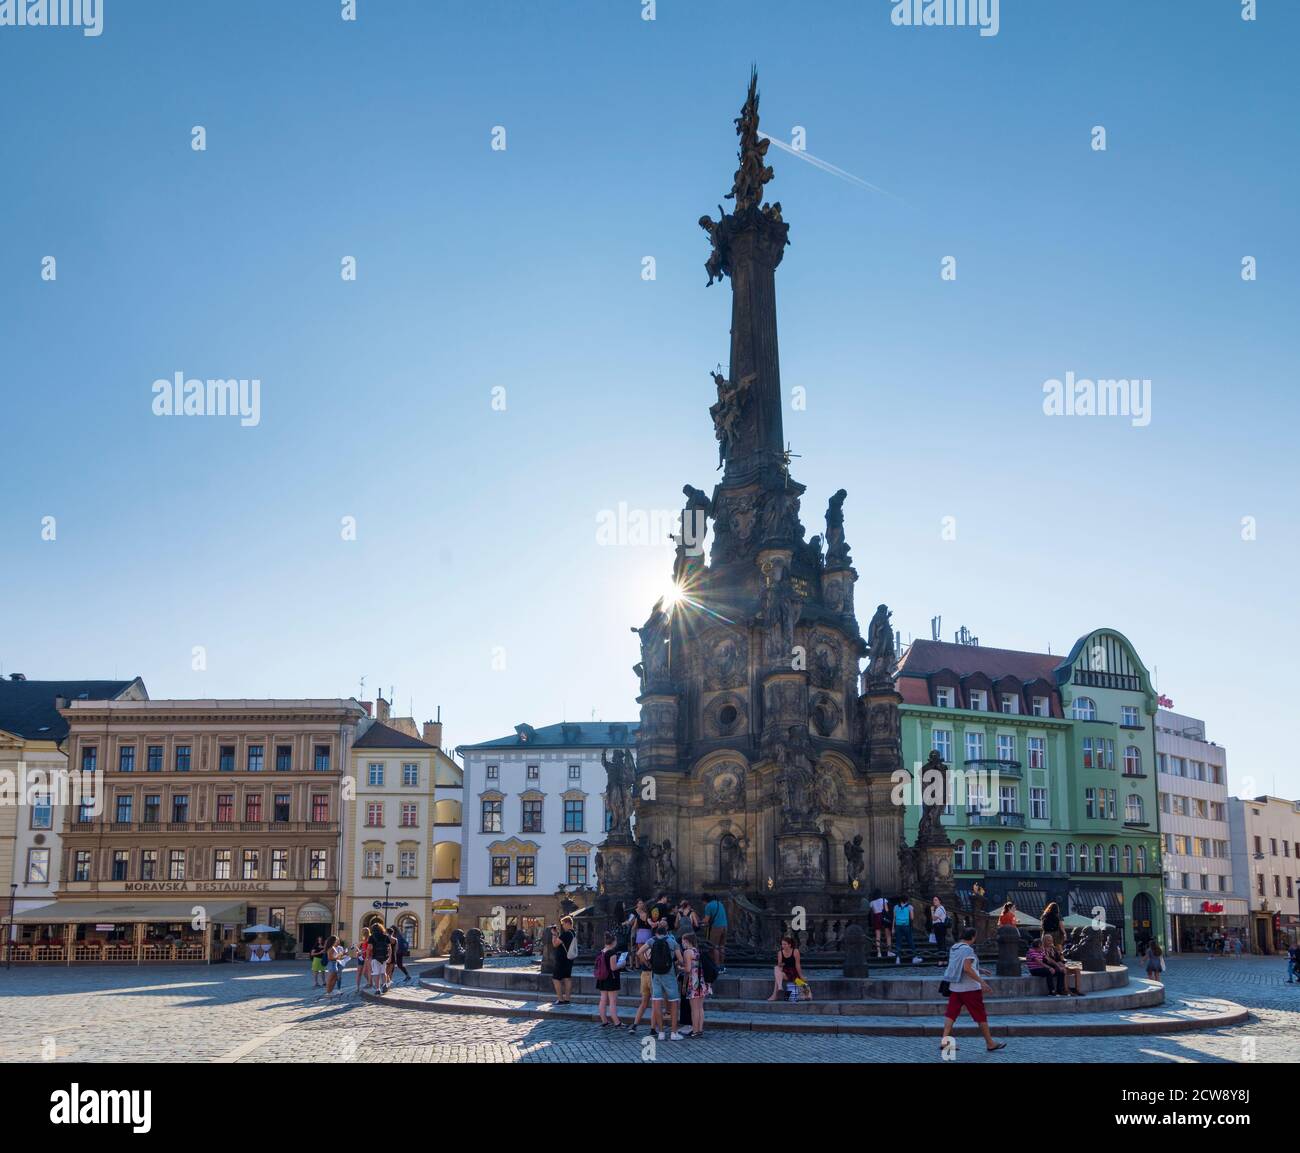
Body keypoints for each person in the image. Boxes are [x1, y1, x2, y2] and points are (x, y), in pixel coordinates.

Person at [939, 926, 1006, 1055]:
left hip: (955, 987)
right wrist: (982, 982)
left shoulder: (955, 947)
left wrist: (980, 969)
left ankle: (944, 1041)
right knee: (980, 1015)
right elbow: (967, 968)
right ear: (973, 937)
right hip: (970, 988)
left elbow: (959, 965)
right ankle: (990, 1043)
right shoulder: (968, 950)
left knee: (951, 1013)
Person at [642, 922, 684, 1040]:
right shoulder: (672, 942)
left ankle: (660, 1033)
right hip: (669, 975)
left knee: (656, 1003)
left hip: (655, 975)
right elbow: (680, 959)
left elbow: (639, 952)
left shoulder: (651, 941)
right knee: (674, 1003)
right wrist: (676, 963)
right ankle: (674, 1033)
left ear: (656, 933)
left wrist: (647, 963)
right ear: (667, 933)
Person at [680, 931, 710, 1037]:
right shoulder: (697, 951)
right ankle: (700, 1029)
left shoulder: (687, 952)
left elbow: (688, 969)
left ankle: (695, 1030)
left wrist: (680, 967)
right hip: (702, 981)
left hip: (693, 982)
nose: (682, 943)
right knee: (700, 1007)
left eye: (683, 941)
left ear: (687, 941)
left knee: (694, 1009)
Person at [767, 935, 812, 1002]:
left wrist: (801, 976)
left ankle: (775, 995)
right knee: (776, 968)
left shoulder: (795, 951)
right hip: (785, 972)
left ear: (790, 945)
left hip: (793, 973)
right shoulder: (780, 953)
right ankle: (779, 987)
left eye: (785, 944)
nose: (783, 946)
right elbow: (779, 965)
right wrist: (781, 964)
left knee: (777, 976)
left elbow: (797, 965)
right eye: (782, 944)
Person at [594, 930, 624, 1027]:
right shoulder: (612, 953)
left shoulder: (601, 951)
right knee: (612, 1001)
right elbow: (613, 967)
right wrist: (622, 964)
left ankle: (604, 1020)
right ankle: (616, 1022)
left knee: (603, 1000)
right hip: (611, 978)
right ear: (614, 942)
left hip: (602, 978)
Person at [551, 916, 576, 1004]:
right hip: (569, 959)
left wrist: (554, 934)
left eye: (563, 924)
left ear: (568, 923)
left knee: (556, 979)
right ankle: (567, 999)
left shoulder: (566, 934)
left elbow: (555, 944)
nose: (562, 926)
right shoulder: (573, 933)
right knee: (567, 978)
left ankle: (561, 999)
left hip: (562, 960)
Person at [701, 892, 728, 974]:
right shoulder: (720, 903)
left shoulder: (708, 906)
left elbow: (706, 920)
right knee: (722, 946)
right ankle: (722, 966)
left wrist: (699, 922)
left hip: (716, 927)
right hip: (725, 926)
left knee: (714, 946)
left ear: (705, 901)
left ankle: (717, 966)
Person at [368, 922, 392, 994]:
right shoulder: (385, 936)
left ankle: (378, 989)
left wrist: (368, 957)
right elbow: (389, 948)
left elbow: (370, 948)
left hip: (375, 957)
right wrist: (390, 957)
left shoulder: (372, 937)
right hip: (384, 957)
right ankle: (385, 984)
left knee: (376, 973)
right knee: (383, 972)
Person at [893, 895, 917, 964]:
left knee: (898, 942)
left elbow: (894, 918)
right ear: (907, 900)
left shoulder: (896, 907)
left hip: (898, 926)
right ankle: (914, 957)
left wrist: (893, 928)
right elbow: (912, 917)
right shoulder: (910, 907)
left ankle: (898, 958)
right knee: (910, 941)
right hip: (906, 925)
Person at [869, 888, 892, 958]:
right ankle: (889, 952)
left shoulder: (872, 902)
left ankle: (879, 953)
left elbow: (872, 911)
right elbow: (887, 910)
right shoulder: (884, 900)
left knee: (877, 937)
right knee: (888, 936)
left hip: (876, 918)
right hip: (883, 917)